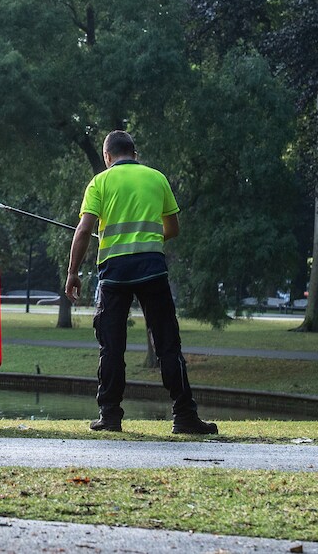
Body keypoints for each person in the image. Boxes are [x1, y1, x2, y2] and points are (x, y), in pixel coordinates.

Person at [64, 130, 218, 435]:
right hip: (152, 269)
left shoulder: (100, 182)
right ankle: (185, 416)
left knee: (111, 347)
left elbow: (83, 231)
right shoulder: (156, 178)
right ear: (135, 153)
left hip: (114, 272)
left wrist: (72, 272)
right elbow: (172, 228)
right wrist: (146, 238)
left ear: (107, 156)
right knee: (168, 344)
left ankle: (110, 416)